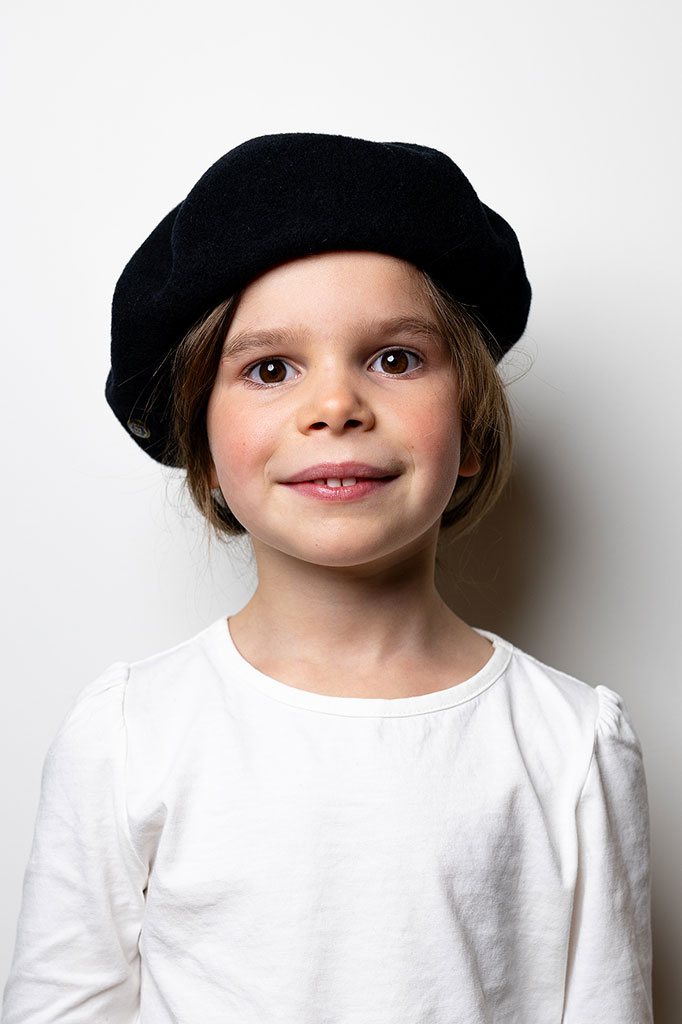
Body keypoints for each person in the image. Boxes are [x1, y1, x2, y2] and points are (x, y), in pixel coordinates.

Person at [2, 133, 652, 1023]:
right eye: (270, 369)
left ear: (470, 425)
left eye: (395, 359)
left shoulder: (571, 743)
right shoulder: (130, 731)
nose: (336, 406)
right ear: (205, 447)